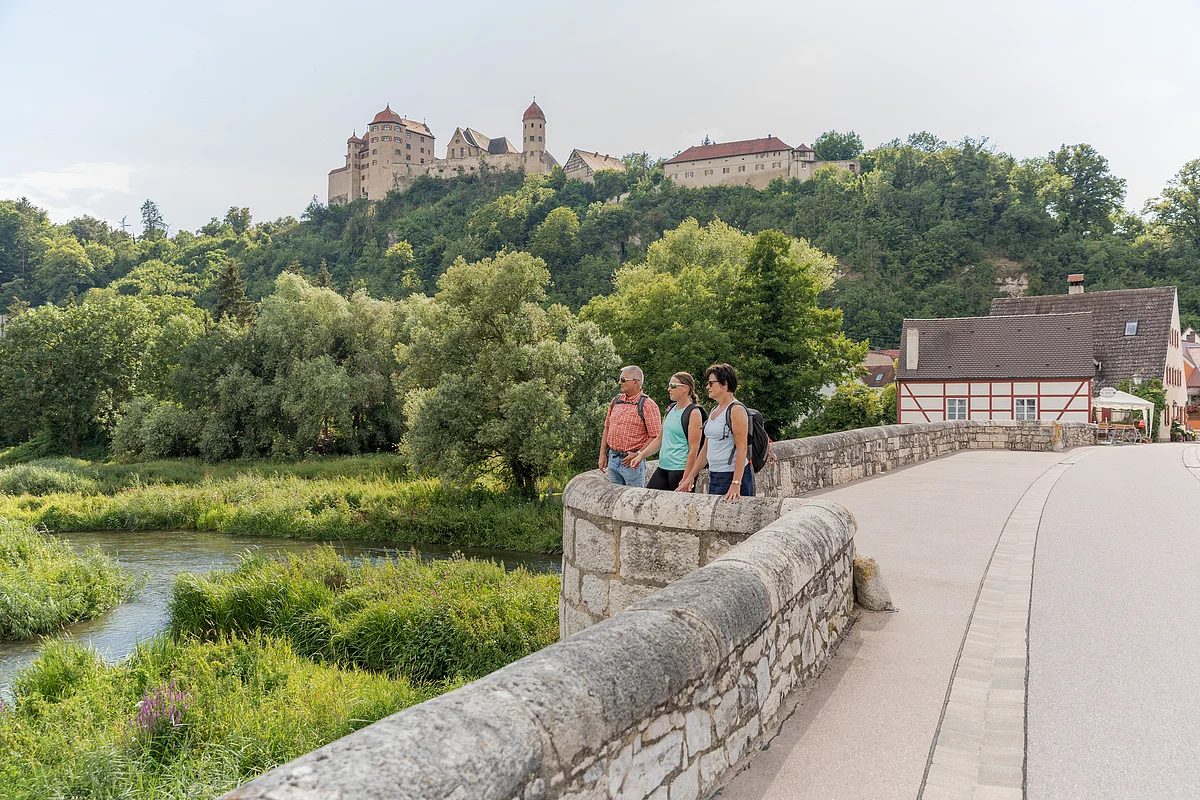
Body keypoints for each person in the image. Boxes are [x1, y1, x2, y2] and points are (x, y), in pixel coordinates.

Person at [679, 363, 755, 500]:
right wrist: (690, 477)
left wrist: (736, 483)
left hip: (731, 475)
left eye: (711, 383)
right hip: (715, 474)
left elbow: (742, 449)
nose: (707, 387)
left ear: (724, 384)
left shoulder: (736, 410)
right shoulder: (715, 410)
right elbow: (705, 449)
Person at [630, 372, 705, 491]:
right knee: (650, 497)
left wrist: (687, 477)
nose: (669, 389)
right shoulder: (670, 408)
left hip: (680, 469)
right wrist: (641, 456)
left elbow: (694, 448)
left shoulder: (693, 412)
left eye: (673, 386)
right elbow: (659, 439)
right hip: (663, 467)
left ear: (685, 388)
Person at [598, 365, 661, 486]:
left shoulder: (648, 405)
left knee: (634, 497)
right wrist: (602, 455)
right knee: (614, 496)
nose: (619, 383)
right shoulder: (616, 401)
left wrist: (638, 454)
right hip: (613, 459)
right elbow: (607, 428)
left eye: (623, 380)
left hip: (632, 463)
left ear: (635, 382)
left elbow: (655, 437)